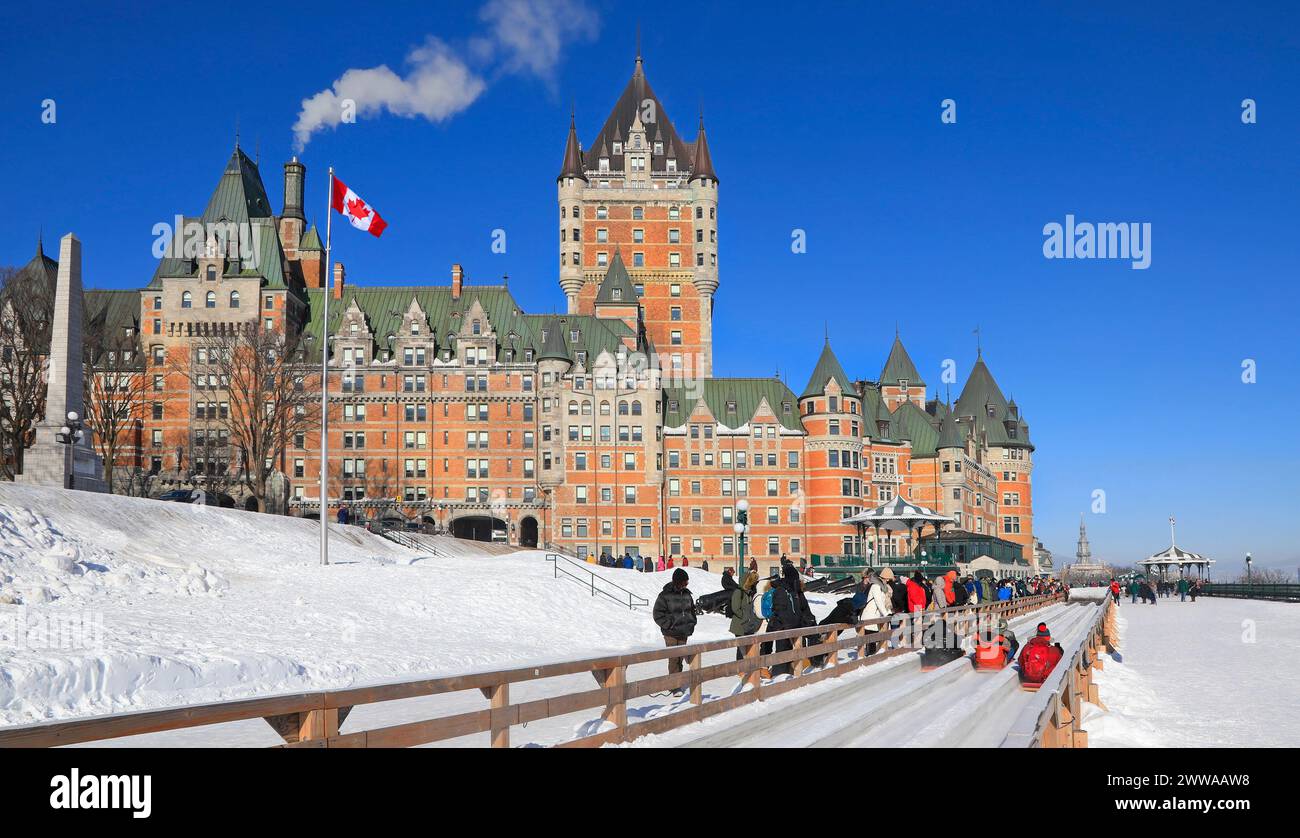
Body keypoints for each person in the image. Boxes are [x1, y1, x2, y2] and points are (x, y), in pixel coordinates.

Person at [652, 568, 697, 693]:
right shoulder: (665, 595)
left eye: (687, 582)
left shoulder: (687, 594)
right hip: (670, 633)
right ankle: (674, 686)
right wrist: (669, 624)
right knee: (674, 659)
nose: (686, 585)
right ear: (678, 582)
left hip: (684, 631)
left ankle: (679, 681)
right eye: (685, 582)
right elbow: (657, 614)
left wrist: (691, 623)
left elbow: (692, 611)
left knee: (680, 657)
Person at [768, 563, 816, 677]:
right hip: (784, 630)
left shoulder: (795, 591)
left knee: (795, 657)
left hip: (796, 629)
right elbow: (780, 611)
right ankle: (778, 679)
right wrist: (790, 626)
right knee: (782, 657)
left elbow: (804, 610)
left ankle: (792, 677)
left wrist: (810, 623)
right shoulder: (781, 591)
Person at [729, 571, 762, 661]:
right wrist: (745, 617)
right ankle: (740, 668)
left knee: (748, 648)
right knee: (741, 649)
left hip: (747, 625)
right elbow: (735, 608)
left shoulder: (749, 592)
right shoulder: (738, 592)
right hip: (740, 625)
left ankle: (746, 667)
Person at [1017, 622, 1064, 686]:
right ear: (1048, 638)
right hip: (1045, 681)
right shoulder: (1054, 650)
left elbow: (1020, 661)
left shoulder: (1026, 647)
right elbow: (1060, 664)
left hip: (1027, 679)